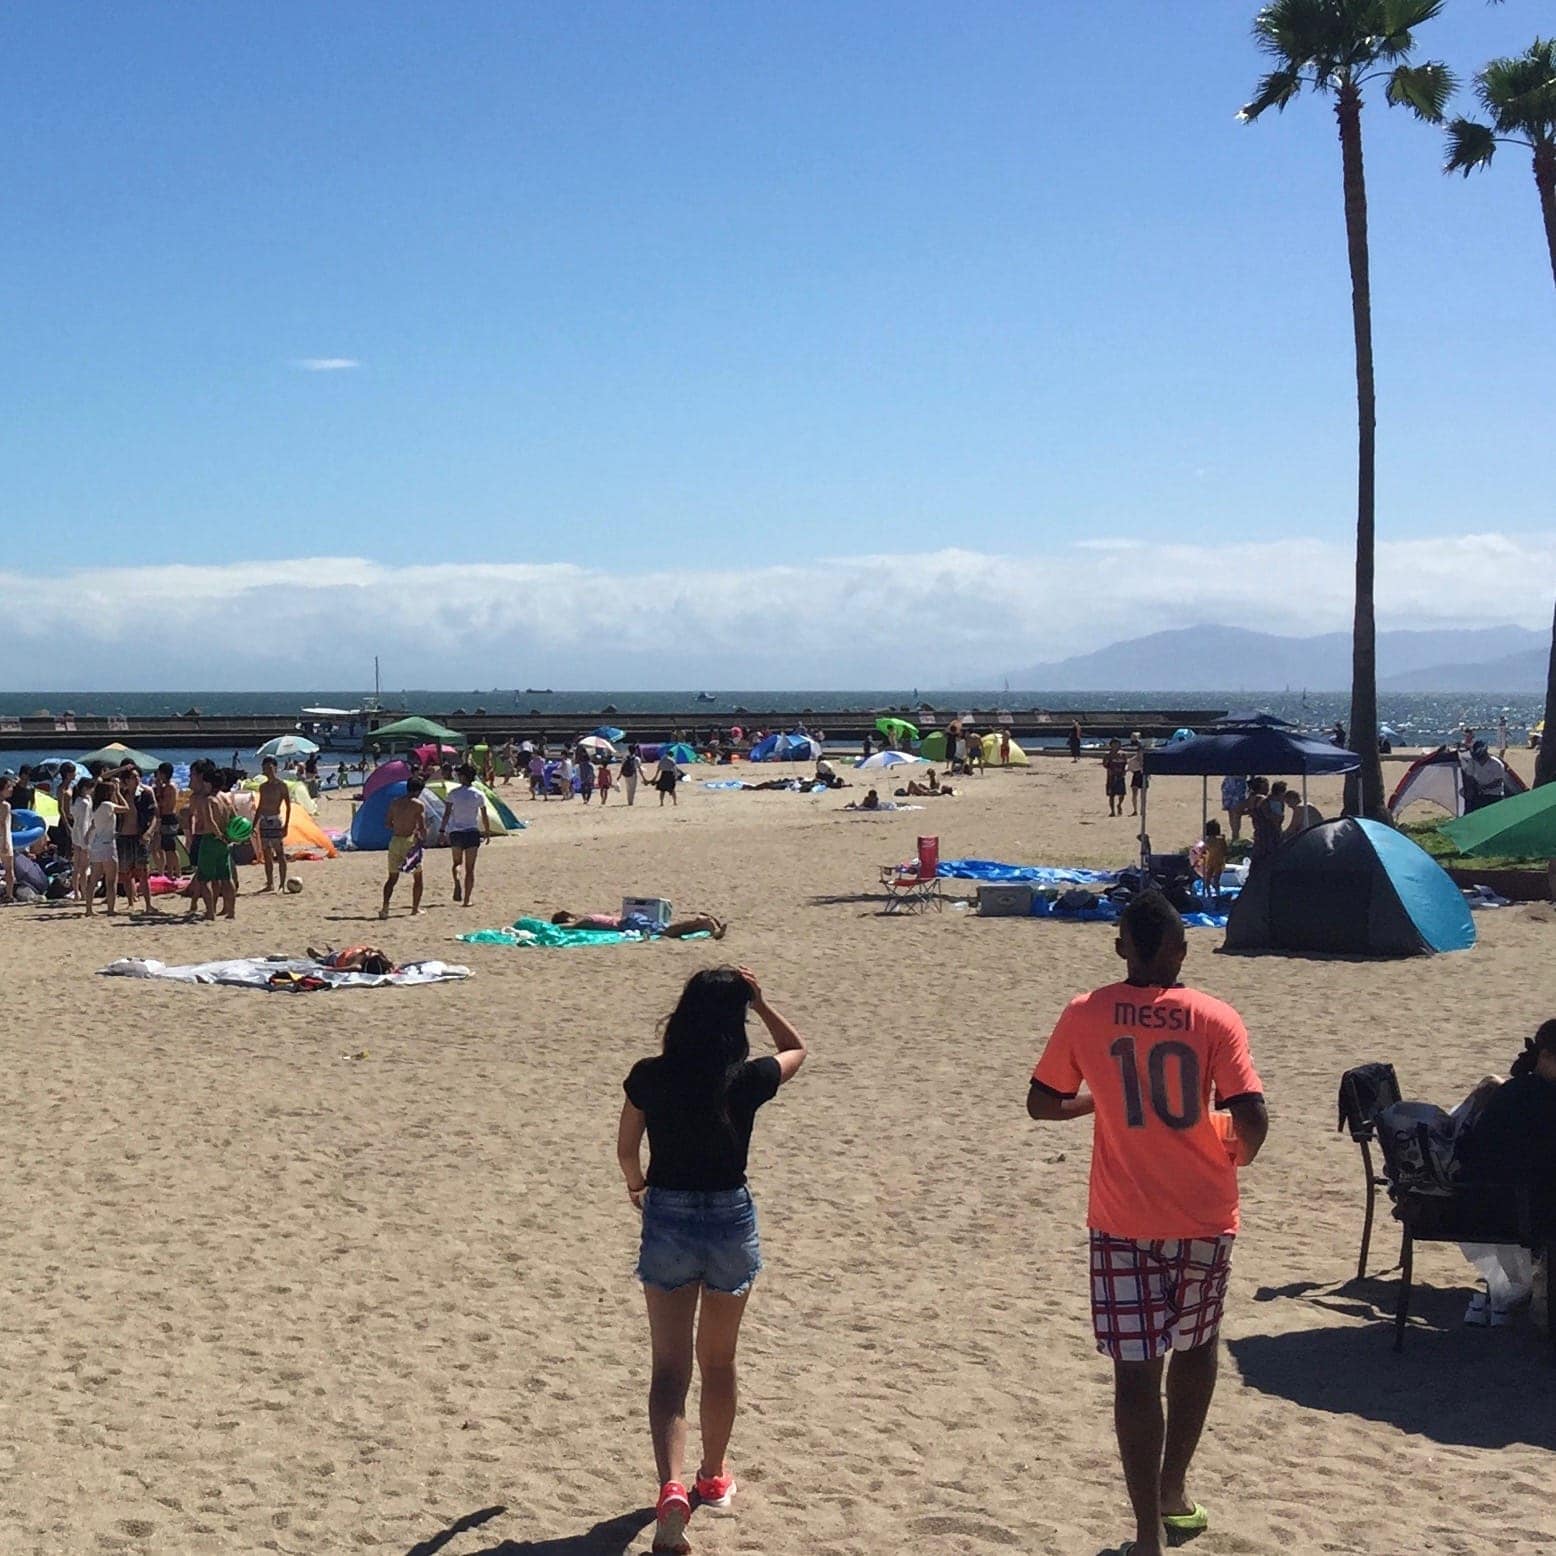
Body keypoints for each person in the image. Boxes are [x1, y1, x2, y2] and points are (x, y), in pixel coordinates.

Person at [1026, 894, 1267, 1556]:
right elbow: (1252, 1122)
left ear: (1120, 946)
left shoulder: (1086, 1013)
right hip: (1204, 1214)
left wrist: (1099, 1101)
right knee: (1197, 1349)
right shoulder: (1216, 1018)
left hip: (1123, 1221)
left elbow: (1040, 1105)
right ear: (1180, 949)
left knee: (1136, 1375)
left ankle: (1144, 1536)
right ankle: (1173, 1491)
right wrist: (1224, 1150)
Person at [616, 967, 808, 1554]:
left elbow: (627, 1151)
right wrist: (763, 1002)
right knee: (718, 1361)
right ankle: (712, 1476)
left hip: (669, 1212)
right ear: (734, 1021)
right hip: (729, 1216)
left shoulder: (650, 1076)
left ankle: (670, 1488)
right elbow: (797, 1048)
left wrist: (638, 1191)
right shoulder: (745, 1079)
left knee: (669, 1369)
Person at [437, 763, 491, 907]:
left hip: (456, 832)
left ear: (463, 777)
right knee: (470, 868)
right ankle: (467, 900)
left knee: (456, 863)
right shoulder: (478, 794)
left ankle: (457, 882)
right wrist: (487, 831)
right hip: (472, 832)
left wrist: (442, 831)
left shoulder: (453, 793)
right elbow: (484, 815)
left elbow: (447, 814)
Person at [381, 775, 428, 918]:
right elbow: (422, 827)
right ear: (418, 790)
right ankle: (415, 908)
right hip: (410, 842)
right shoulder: (418, 805)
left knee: (392, 878)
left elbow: (388, 823)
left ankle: (385, 908)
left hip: (395, 841)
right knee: (418, 877)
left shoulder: (395, 803)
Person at [84, 778, 129, 916]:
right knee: (111, 880)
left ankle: (89, 909)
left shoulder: (96, 807)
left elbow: (92, 826)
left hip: (97, 845)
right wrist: (119, 793)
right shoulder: (108, 805)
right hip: (108, 845)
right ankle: (110, 909)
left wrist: (86, 838)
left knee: (94, 879)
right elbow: (126, 808)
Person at [115, 766, 156, 915]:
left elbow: (154, 815)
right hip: (124, 836)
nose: (137, 779)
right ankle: (131, 901)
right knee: (126, 872)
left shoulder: (146, 793)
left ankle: (148, 904)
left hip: (139, 836)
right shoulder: (121, 794)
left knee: (144, 872)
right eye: (133, 777)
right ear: (126, 780)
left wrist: (149, 833)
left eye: (138, 776)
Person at [553, 909, 727, 940]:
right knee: (666, 930)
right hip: (630, 920)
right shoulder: (589, 918)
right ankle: (703, 924)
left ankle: (702, 922)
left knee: (666, 932)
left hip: (628, 924)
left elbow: (566, 928)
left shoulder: (584, 921)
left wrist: (553, 927)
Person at [254, 757, 293, 893]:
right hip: (264, 821)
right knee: (267, 853)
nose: (268, 771)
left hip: (275, 820)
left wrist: (286, 825)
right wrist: (254, 824)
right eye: (265, 768)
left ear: (275, 768)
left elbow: (288, 806)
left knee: (280, 853)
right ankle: (270, 882)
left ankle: (282, 883)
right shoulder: (263, 787)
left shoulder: (281, 786)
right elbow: (260, 806)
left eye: (270, 768)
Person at [153, 763, 182, 878]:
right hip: (166, 818)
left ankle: (177, 872)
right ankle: (170, 872)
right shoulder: (167, 786)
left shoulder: (170, 787)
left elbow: (165, 804)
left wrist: (159, 791)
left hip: (169, 818)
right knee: (165, 848)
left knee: (171, 848)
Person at [69, 775, 94, 902]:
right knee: (83, 867)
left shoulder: (77, 800)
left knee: (76, 866)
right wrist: (86, 839)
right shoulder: (84, 802)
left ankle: (77, 892)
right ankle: (83, 893)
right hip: (83, 834)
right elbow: (85, 822)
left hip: (76, 833)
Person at [1197, 819, 1227, 895]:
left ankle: (1209, 894)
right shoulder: (1221, 840)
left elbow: (1203, 850)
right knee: (1216, 880)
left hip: (1210, 862)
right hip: (1219, 862)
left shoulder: (1207, 840)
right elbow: (1225, 850)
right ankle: (1217, 894)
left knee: (1207, 880)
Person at [1219, 774, 1248, 842]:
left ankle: (1235, 836)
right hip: (1232, 782)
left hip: (1235, 782)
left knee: (1235, 812)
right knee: (1233, 812)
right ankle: (1235, 837)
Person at [1103, 739, 1128, 818]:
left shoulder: (1123, 754)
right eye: (1114, 744)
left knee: (1122, 794)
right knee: (1111, 795)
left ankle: (1119, 805)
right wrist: (1108, 768)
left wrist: (1125, 771)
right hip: (1111, 776)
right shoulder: (1108, 754)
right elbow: (1104, 764)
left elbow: (1126, 763)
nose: (1116, 746)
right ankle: (1112, 811)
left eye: (1117, 744)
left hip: (1121, 775)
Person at [0, 774, 14, 904]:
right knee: (9, 869)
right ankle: (9, 894)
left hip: (3, 837)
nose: (11, 789)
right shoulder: (5, 805)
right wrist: (5, 842)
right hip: (4, 838)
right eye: (8, 787)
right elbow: (3, 824)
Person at [1127, 736, 1146, 816]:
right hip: (1137, 774)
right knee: (1135, 794)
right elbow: (1130, 767)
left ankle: (1142, 810)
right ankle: (1135, 810)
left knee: (1143, 795)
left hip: (1143, 775)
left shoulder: (1146, 759)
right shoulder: (1133, 759)